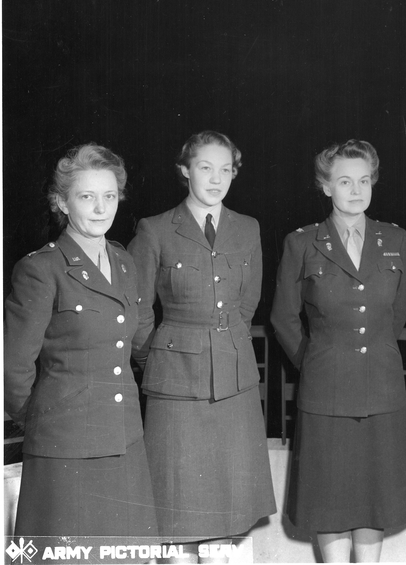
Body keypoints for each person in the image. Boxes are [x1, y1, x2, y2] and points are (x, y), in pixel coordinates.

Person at [128, 131, 276, 561]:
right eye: (205, 168)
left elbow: (247, 303)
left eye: (225, 169)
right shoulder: (155, 229)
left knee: (231, 509)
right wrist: (158, 358)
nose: (216, 179)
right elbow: (138, 309)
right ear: (184, 171)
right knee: (176, 507)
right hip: (175, 385)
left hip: (235, 381)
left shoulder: (248, 228)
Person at [271, 139, 406, 563]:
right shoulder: (302, 243)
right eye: (345, 181)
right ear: (325, 186)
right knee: (329, 496)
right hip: (326, 391)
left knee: (374, 496)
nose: (356, 190)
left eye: (364, 181)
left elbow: (397, 314)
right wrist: (318, 362)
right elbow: (283, 318)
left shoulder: (395, 238)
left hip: (381, 388)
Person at [4, 143, 158, 537]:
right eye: (87, 197)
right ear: (62, 202)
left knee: (123, 557)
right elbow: (12, 366)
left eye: (110, 196)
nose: (101, 208)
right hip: (65, 445)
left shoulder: (124, 262)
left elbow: (138, 341)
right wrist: (45, 419)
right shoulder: (41, 269)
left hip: (124, 440)